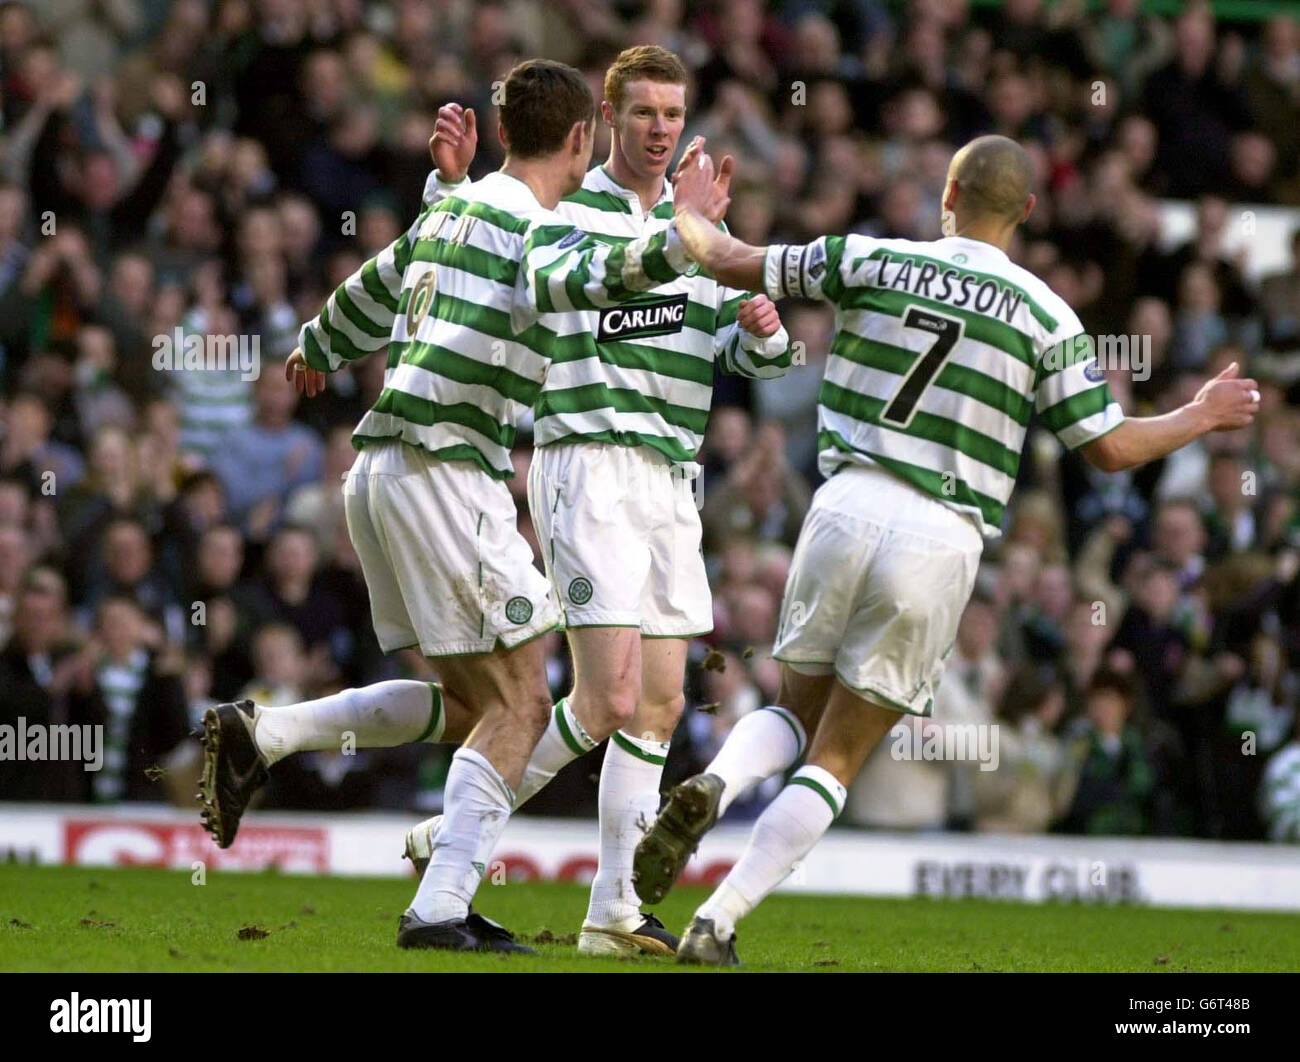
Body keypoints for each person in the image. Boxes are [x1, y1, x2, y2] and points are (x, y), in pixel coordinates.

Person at [631, 134, 1261, 964]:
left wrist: (685, 210)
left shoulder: (872, 257)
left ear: (947, 195)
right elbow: (1106, 448)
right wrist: (1201, 413)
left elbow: (731, 258)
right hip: (940, 533)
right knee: (841, 755)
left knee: (793, 710)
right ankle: (717, 921)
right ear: (1028, 213)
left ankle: (719, 780)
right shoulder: (1046, 314)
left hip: (844, 502)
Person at [197, 58, 728, 954]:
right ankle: (441, 904)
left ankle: (270, 731)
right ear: (581, 137)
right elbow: (580, 285)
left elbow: (378, 282)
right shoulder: (536, 227)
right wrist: (689, 235)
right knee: (525, 697)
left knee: (473, 705)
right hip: (447, 467)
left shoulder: (455, 205)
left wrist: (319, 345)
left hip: (379, 471)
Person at [403, 44, 792, 958]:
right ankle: (457, 835)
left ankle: (610, 913)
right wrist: (444, 193)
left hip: (670, 476)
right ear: (606, 122)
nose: (660, 130)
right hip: (587, 459)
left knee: (656, 705)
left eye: (673, 114)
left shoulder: (698, 225)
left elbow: (736, 357)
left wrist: (764, 329)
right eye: (644, 113)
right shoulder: (564, 207)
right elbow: (498, 265)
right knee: (608, 695)